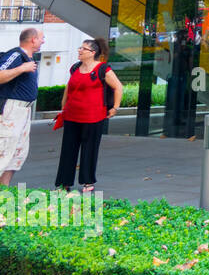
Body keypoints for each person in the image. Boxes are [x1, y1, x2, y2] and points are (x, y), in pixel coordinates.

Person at [53, 37, 122, 193]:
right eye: (80, 48)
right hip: (72, 115)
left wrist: (115, 108)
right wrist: (64, 105)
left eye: (83, 48)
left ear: (92, 52)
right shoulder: (75, 68)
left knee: (89, 149)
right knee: (68, 150)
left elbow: (118, 87)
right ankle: (64, 183)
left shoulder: (103, 69)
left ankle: (87, 182)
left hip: (93, 117)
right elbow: (69, 87)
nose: (79, 50)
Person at [0, 27, 44, 186]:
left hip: (23, 111)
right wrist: (22, 68)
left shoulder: (28, 58)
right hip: (11, 109)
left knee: (16, 155)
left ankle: (3, 192)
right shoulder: (16, 55)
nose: (43, 41)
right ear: (33, 39)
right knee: (3, 151)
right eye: (41, 38)